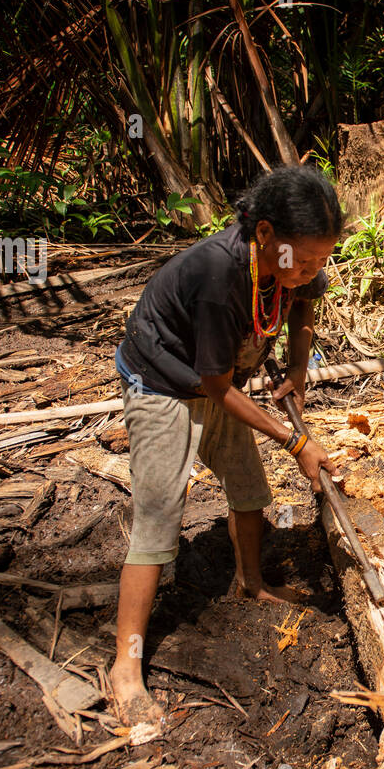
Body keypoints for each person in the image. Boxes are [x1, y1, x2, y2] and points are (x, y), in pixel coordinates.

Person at [109, 165, 342, 729]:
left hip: (217, 379)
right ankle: (123, 667)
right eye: (303, 260)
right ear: (264, 233)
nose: (311, 271)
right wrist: (296, 440)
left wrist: (296, 371)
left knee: (249, 489)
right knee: (159, 522)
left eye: (320, 262)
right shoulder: (219, 273)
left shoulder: (292, 264)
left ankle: (251, 583)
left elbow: (305, 307)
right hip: (165, 383)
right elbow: (214, 387)